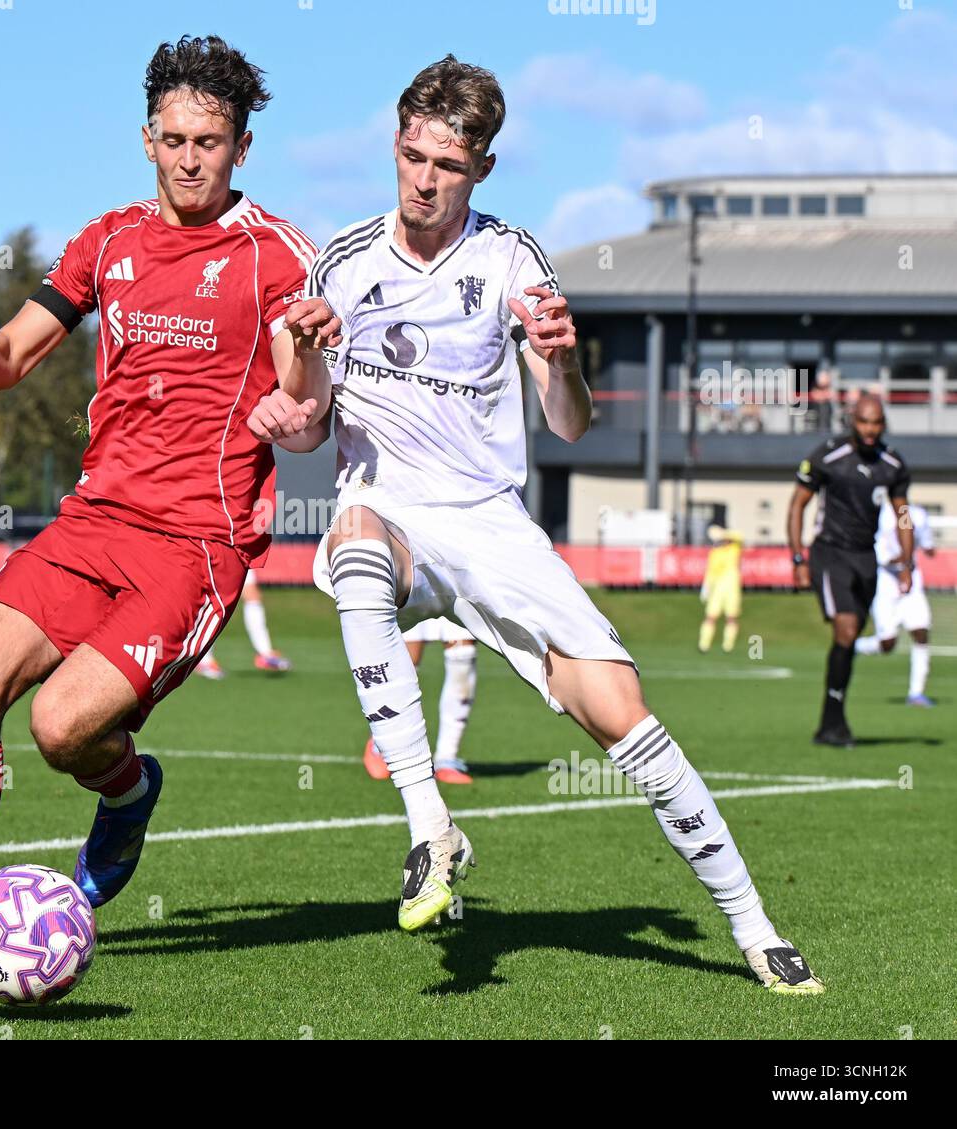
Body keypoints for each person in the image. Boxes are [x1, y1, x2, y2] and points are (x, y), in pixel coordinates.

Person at [254, 55, 822, 993]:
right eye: (411, 155)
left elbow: (567, 422)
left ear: (480, 169)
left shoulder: (513, 258)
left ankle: (758, 930)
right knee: (353, 549)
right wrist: (299, 377)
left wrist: (563, 364)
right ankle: (431, 828)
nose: (424, 179)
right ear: (394, 146)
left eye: (447, 163)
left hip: (491, 525)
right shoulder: (343, 263)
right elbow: (311, 419)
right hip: (388, 507)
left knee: (627, 721)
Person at [0, 35, 335, 971]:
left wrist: (310, 360)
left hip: (195, 543)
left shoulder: (281, 257)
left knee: (61, 728)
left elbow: (308, 412)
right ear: (146, 139)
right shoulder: (107, 241)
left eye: (210, 140)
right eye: (173, 139)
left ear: (242, 147)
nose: (190, 157)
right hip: (91, 521)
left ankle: (125, 794)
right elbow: (4, 365)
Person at [788, 393, 912, 747]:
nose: (870, 430)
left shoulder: (893, 464)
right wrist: (798, 557)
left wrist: (907, 559)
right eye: (863, 422)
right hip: (830, 553)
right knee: (844, 627)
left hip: (866, 557)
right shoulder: (829, 455)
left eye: (876, 423)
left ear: (883, 424)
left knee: (852, 634)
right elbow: (798, 504)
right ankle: (833, 723)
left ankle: (831, 721)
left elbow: (902, 512)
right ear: (852, 421)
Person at [363, 618, 476, 784]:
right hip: (417, 591)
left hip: (452, 592)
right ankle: (382, 744)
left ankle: (447, 758)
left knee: (462, 658)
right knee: (406, 659)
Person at [855, 501, 936, 707]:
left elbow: (926, 543)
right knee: (887, 643)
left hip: (911, 581)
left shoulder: (916, 514)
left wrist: (926, 550)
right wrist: (900, 560)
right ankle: (854, 646)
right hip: (886, 582)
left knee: (921, 632)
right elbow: (878, 552)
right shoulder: (880, 514)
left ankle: (916, 693)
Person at [195, 571, 292, 677]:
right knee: (217, 597)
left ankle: (265, 653)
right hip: (219, 556)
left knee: (252, 595)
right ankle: (204, 659)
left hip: (240, 554)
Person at [697, 526, 743, 653]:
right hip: (717, 589)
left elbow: (739, 536)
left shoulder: (734, 548)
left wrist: (724, 533)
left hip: (732, 588)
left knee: (731, 617)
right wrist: (706, 587)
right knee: (711, 616)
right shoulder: (715, 552)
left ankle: (728, 646)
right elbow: (710, 572)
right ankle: (704, 644)